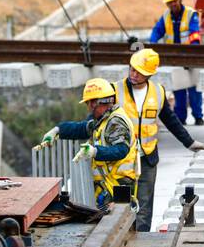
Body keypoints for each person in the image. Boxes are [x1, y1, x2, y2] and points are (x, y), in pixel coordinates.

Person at [117, 47, 204, 231]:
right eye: (132, 69)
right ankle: (120, 239)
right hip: (121, 159)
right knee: (121, 204)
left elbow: (170, 119)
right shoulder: (115, 90)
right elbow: (97, 118)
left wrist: (189, 142)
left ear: (149, 74)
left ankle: (141, 242)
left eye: (139, 72)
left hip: (147, 157)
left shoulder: (158, 92)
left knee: (144, 206)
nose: (134, 74)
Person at [38, 78, 137, 210]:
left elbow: (121, 150)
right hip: (109, 186)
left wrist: (95, 152)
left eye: (88, 104)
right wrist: (58, 130)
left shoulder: (115, 122)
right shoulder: (103, 120)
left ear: (96, 103)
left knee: (113, 223)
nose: (89, 109)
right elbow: (81, 128)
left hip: (118, 188)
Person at [149, 0, 204, 125]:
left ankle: (198, 117)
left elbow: (194, 34)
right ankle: (181, 119)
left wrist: (194, 51)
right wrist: (152, 45)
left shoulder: (191, 14)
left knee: (194, 88)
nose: (172, 4)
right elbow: (157, 31)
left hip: (191, 56)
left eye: (174, 1)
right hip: (174, 59)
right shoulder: (166, 16)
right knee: (178, 87)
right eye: (169, 2)